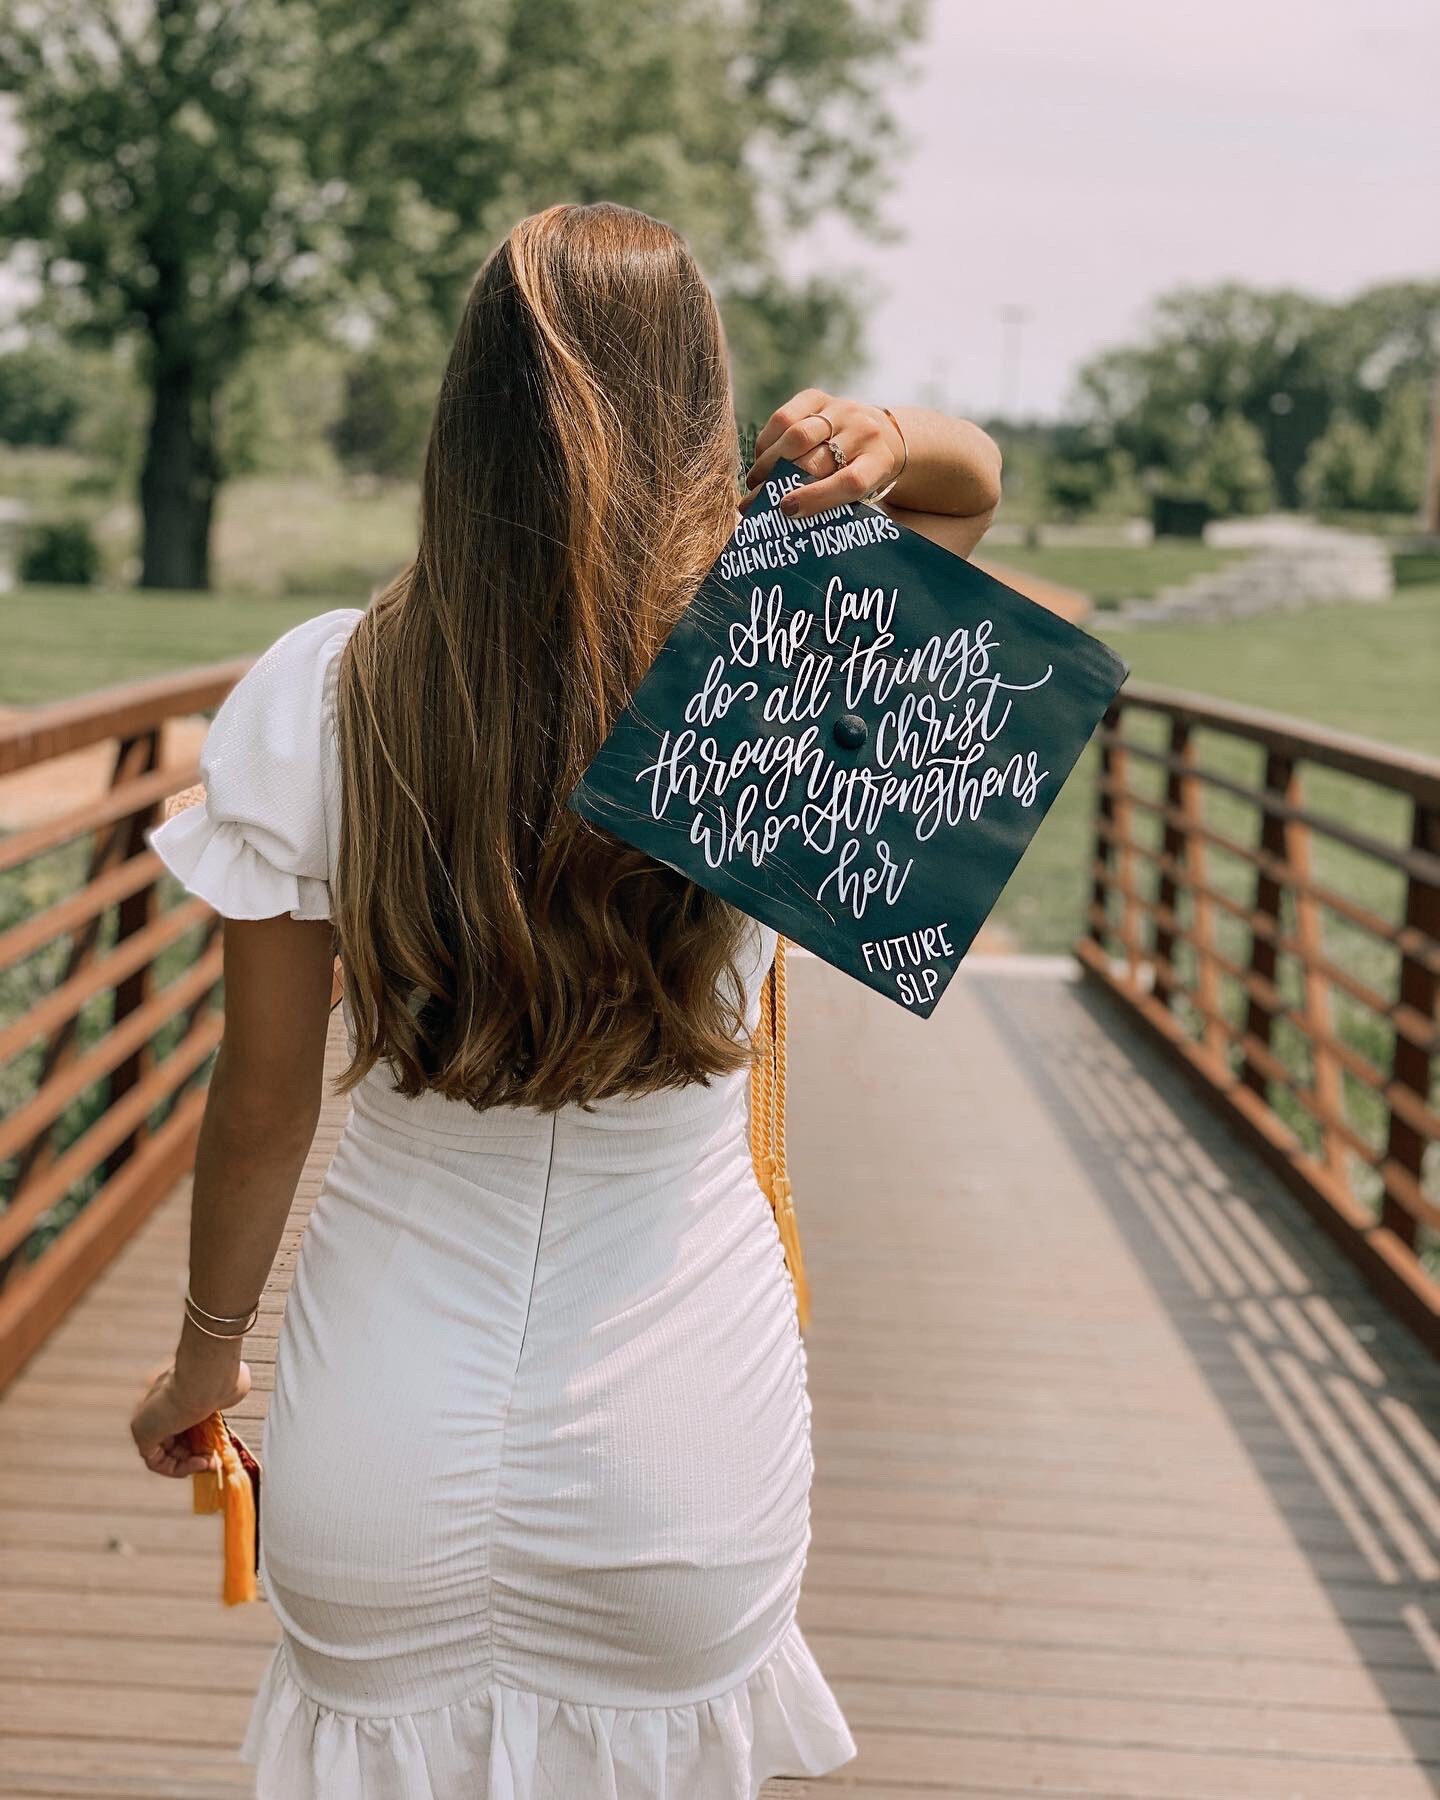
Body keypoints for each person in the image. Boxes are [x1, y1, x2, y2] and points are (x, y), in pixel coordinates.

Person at [129, 200, 1002, 1799]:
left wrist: (203, 1364)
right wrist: (898, 436)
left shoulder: (331, 685)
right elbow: (975, 489)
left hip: (377, 1419)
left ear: (465, 425)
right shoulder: (772, 658)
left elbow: (257, 1099)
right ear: (706, 413)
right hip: (679, 1417)